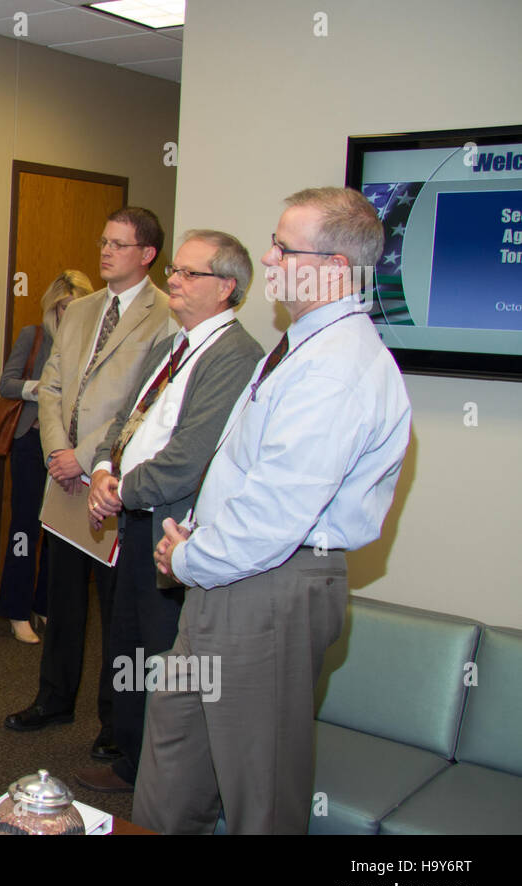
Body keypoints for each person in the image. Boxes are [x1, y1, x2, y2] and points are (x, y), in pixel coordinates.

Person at [138, 187, 412, 834]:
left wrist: (188, 555)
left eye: (285, 247)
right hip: (228, 576)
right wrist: (198, 543)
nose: (269, 257)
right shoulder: (302, 345)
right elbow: (248, 471)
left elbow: (274, 514)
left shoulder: (337, 369)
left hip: (269, 588)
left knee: (259, 790)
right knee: (175, 768)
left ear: (335, 268)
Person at [72, 230, 264, 795]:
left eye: (188, 273)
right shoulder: (171, 343)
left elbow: (189, 457)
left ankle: (162, 775)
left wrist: (119, 491)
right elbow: (125, 422)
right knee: (127, 641)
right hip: (133, 514)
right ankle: (130, 760)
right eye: (174, 271)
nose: (173, 282)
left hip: (170, 528)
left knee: (163, 651)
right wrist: (105, 468)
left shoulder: (235, 354)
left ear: (226, 287)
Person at [4, 207, 172, 763]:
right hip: (65, 477)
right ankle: (53, 699)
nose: (105, 252)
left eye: (119, 244)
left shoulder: (165, 316)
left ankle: (115, 721)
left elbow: (142, 406)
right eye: (103, 241)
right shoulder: (78, 311)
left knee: (120, 613)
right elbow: (50, 386)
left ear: (146, 254)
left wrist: (84, 458)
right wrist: (56, 449)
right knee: (63, 597)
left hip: (110, 482)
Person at [0, 270, 93, 644]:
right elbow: (6, 383)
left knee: (61, 531)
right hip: (31, 446)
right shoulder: (34, 336)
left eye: (76, 306)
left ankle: (47, 605)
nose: (68, 313)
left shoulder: (93, 341)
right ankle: (16, 610)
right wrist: (43, 390)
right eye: (62, 306)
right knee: (25, 528)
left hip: (73, 451)